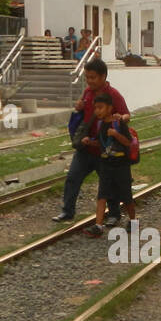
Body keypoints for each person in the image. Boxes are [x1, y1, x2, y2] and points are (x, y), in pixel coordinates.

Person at [53, 57, 129, 222]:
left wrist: (120, 118)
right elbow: (83, 114)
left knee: (109, 183)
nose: (89, 81)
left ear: (103, 77)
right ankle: (67, 211)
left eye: (92, 77)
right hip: (85, 147)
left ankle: (114, 213)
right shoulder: (87, 92)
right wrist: (79, 107)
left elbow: (126, 115)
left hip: (105, 149)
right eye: (87, 77)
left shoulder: (113, 95)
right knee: (73, 177)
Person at [84, 97, 136, 237]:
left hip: (121, 166)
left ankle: (133, 220)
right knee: (102, 195)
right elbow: (102, 144)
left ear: (110, 108)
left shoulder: (118, 123)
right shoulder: (101, 124)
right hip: (106, 165)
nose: (97, 111)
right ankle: (98, 225)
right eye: (96, 108)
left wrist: (115, 134)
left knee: (126, 196)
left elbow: (128, 142)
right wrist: (90, 142)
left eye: (100, 107)